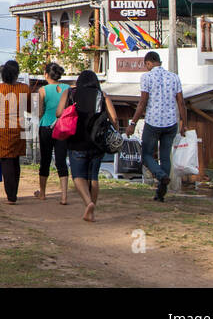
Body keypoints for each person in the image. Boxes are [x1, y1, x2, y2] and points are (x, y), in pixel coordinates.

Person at [56, 69, 118, 222]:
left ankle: (88, 203)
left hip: (76, 140)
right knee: (93, 177)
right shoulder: (102, 95)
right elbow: (115, 118)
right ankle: (92, 210)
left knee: (78, 176)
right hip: (97, 142)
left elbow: (58, 113)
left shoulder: (70, 93)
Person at [125, 51, 187, 202]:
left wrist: (132, 123)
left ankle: (161, 176)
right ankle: (161, 193)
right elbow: (181, 102)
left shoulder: (146, 77)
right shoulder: (174, 77)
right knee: (165, 156)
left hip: (153, 122)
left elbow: (142, 102)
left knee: (146, 156)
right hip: (171, 122)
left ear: (148, 63)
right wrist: (184, 123)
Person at [0, 60, 32, 204]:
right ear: (17, 73)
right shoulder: (24, 88)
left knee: (6, 161)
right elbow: (29, 109)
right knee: (15, 161)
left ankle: (11, 196)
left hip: (1, 130)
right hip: (19, 129)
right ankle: (14, 193)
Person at [34, 63, 70, 205]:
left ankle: (42, 193)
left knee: (45, 160)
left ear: (46, 74)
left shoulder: (42, 90)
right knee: (61, 160)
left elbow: (40, 112)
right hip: (63, 127)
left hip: (46, 127)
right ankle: (64, 196)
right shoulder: (68, 89)